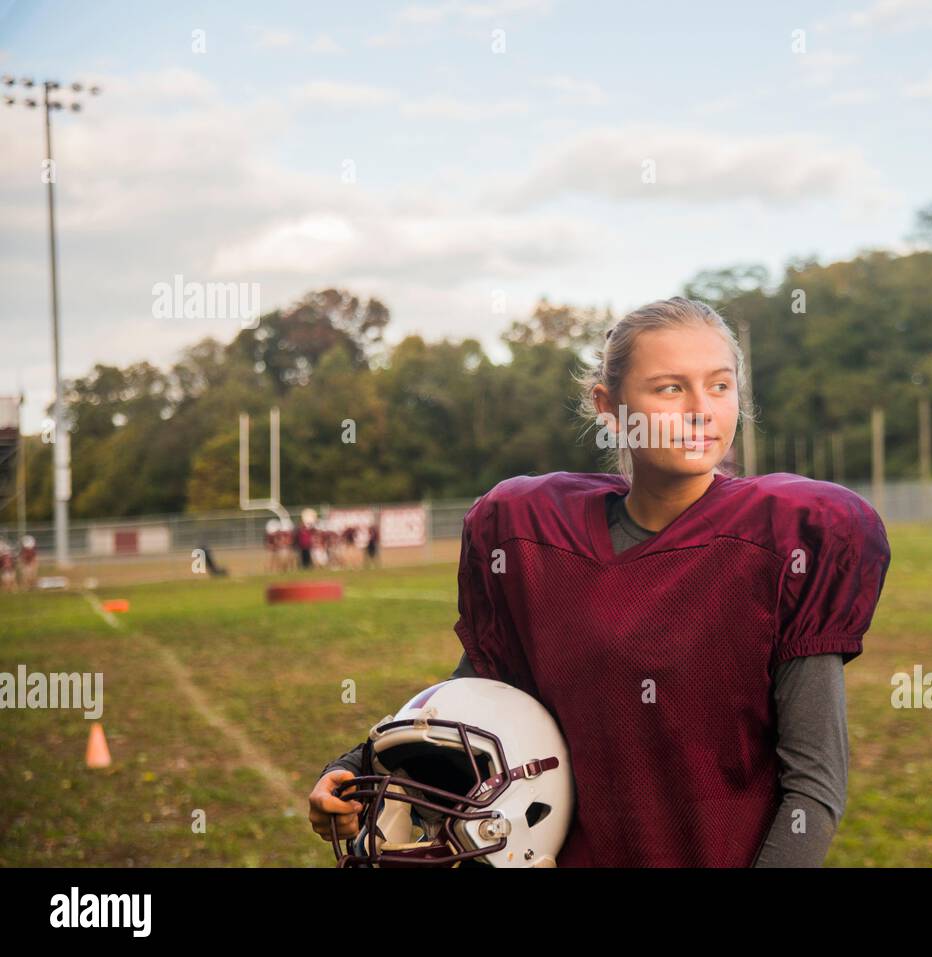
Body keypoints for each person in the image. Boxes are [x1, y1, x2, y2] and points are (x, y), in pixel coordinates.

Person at [309, 297, 891, 867]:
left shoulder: (788, 539)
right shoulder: (531, 535)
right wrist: (353, 771)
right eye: (670, 387)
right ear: (608, 406)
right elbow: (473, 701)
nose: (700, 409)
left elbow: (814, 787)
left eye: (720, 385)